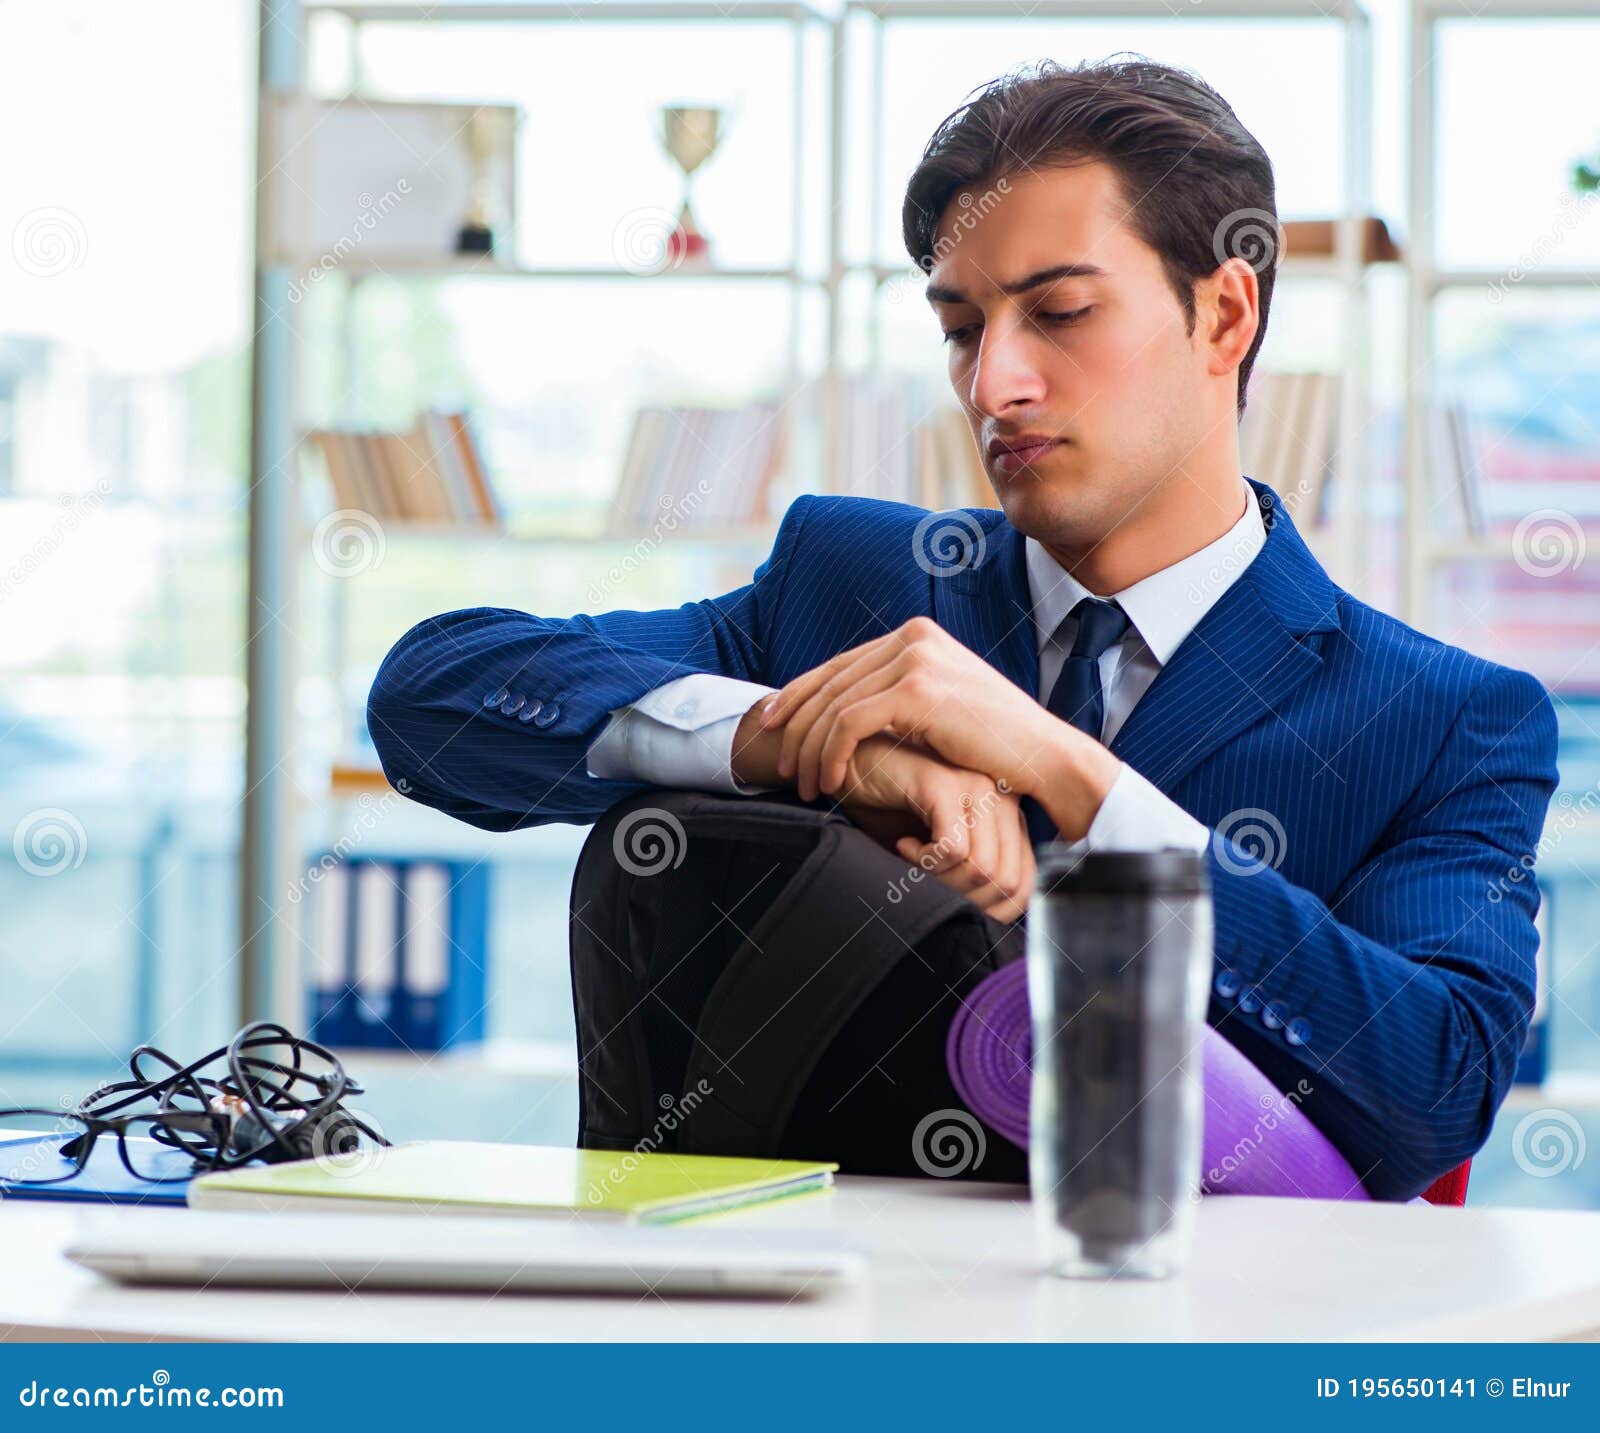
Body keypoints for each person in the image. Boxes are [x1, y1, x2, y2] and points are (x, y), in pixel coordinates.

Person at [366, 58, 1558, 1200]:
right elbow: (434, 699)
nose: (994, 386)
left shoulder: (1444, 719)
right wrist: (794, 738)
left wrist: (1072, 776)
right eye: (960, 328)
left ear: (1223, 315)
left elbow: (1430, 1094)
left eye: (1059, 313)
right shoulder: (855, 588)